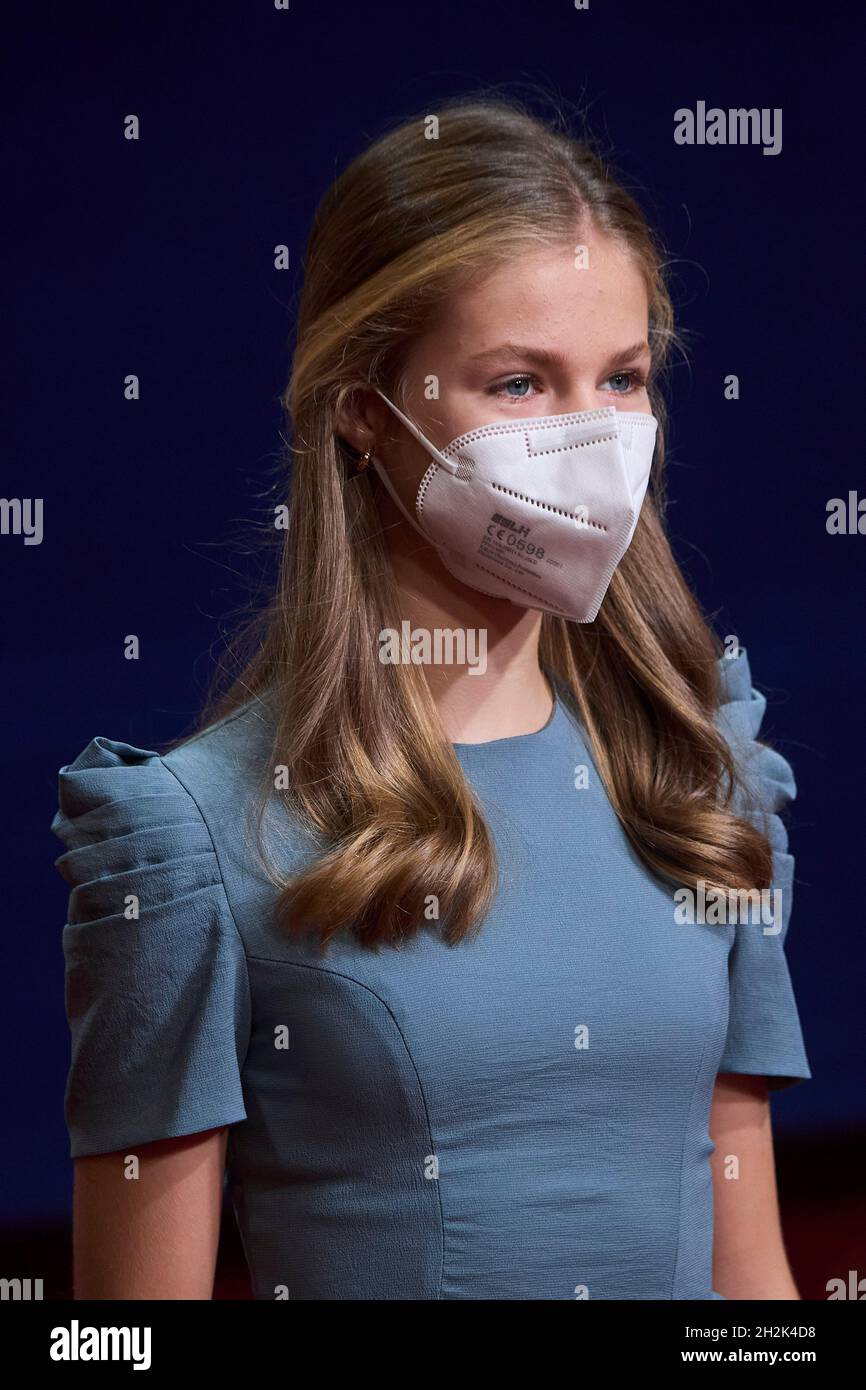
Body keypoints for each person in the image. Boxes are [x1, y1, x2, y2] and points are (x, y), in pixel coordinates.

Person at [50, 95, 810, 1300]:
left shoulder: (702, 775)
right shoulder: (196, 837)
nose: (590, 438)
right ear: (365, 408)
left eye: (619, 379)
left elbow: (752, 1274)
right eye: (517, 384)